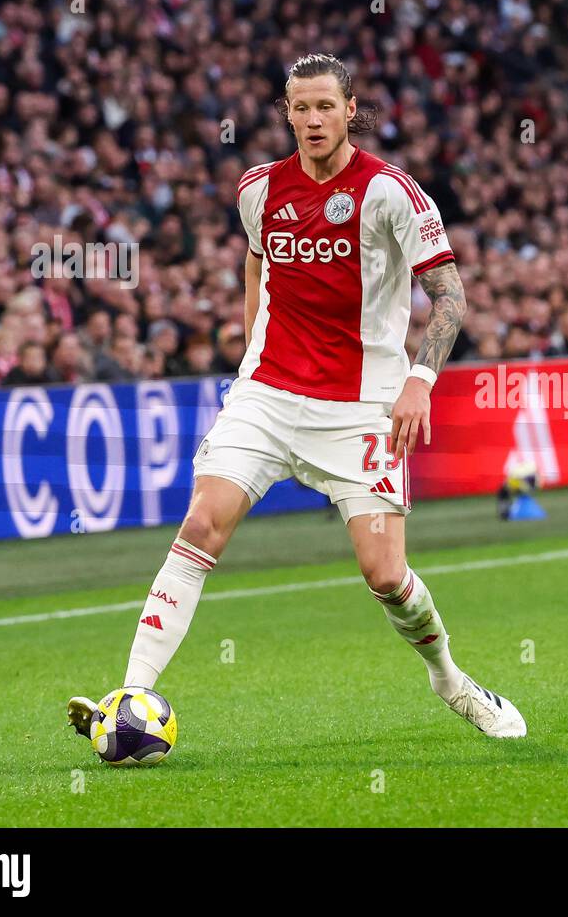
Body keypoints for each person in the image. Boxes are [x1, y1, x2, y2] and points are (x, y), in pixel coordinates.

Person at [66, 54, 525, 746]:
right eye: (299, 108)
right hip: (270, 394)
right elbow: (258, 258)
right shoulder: (257, 189)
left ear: (349, 109)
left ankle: (451, 681)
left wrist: (418, 380)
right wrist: (254, 350)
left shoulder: (392, 193)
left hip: (363, 404)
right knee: (201, 524)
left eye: (324, 107)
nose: (312, 119)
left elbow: (450, 296)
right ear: (286, 112)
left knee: (385, 574)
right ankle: (131, 693)